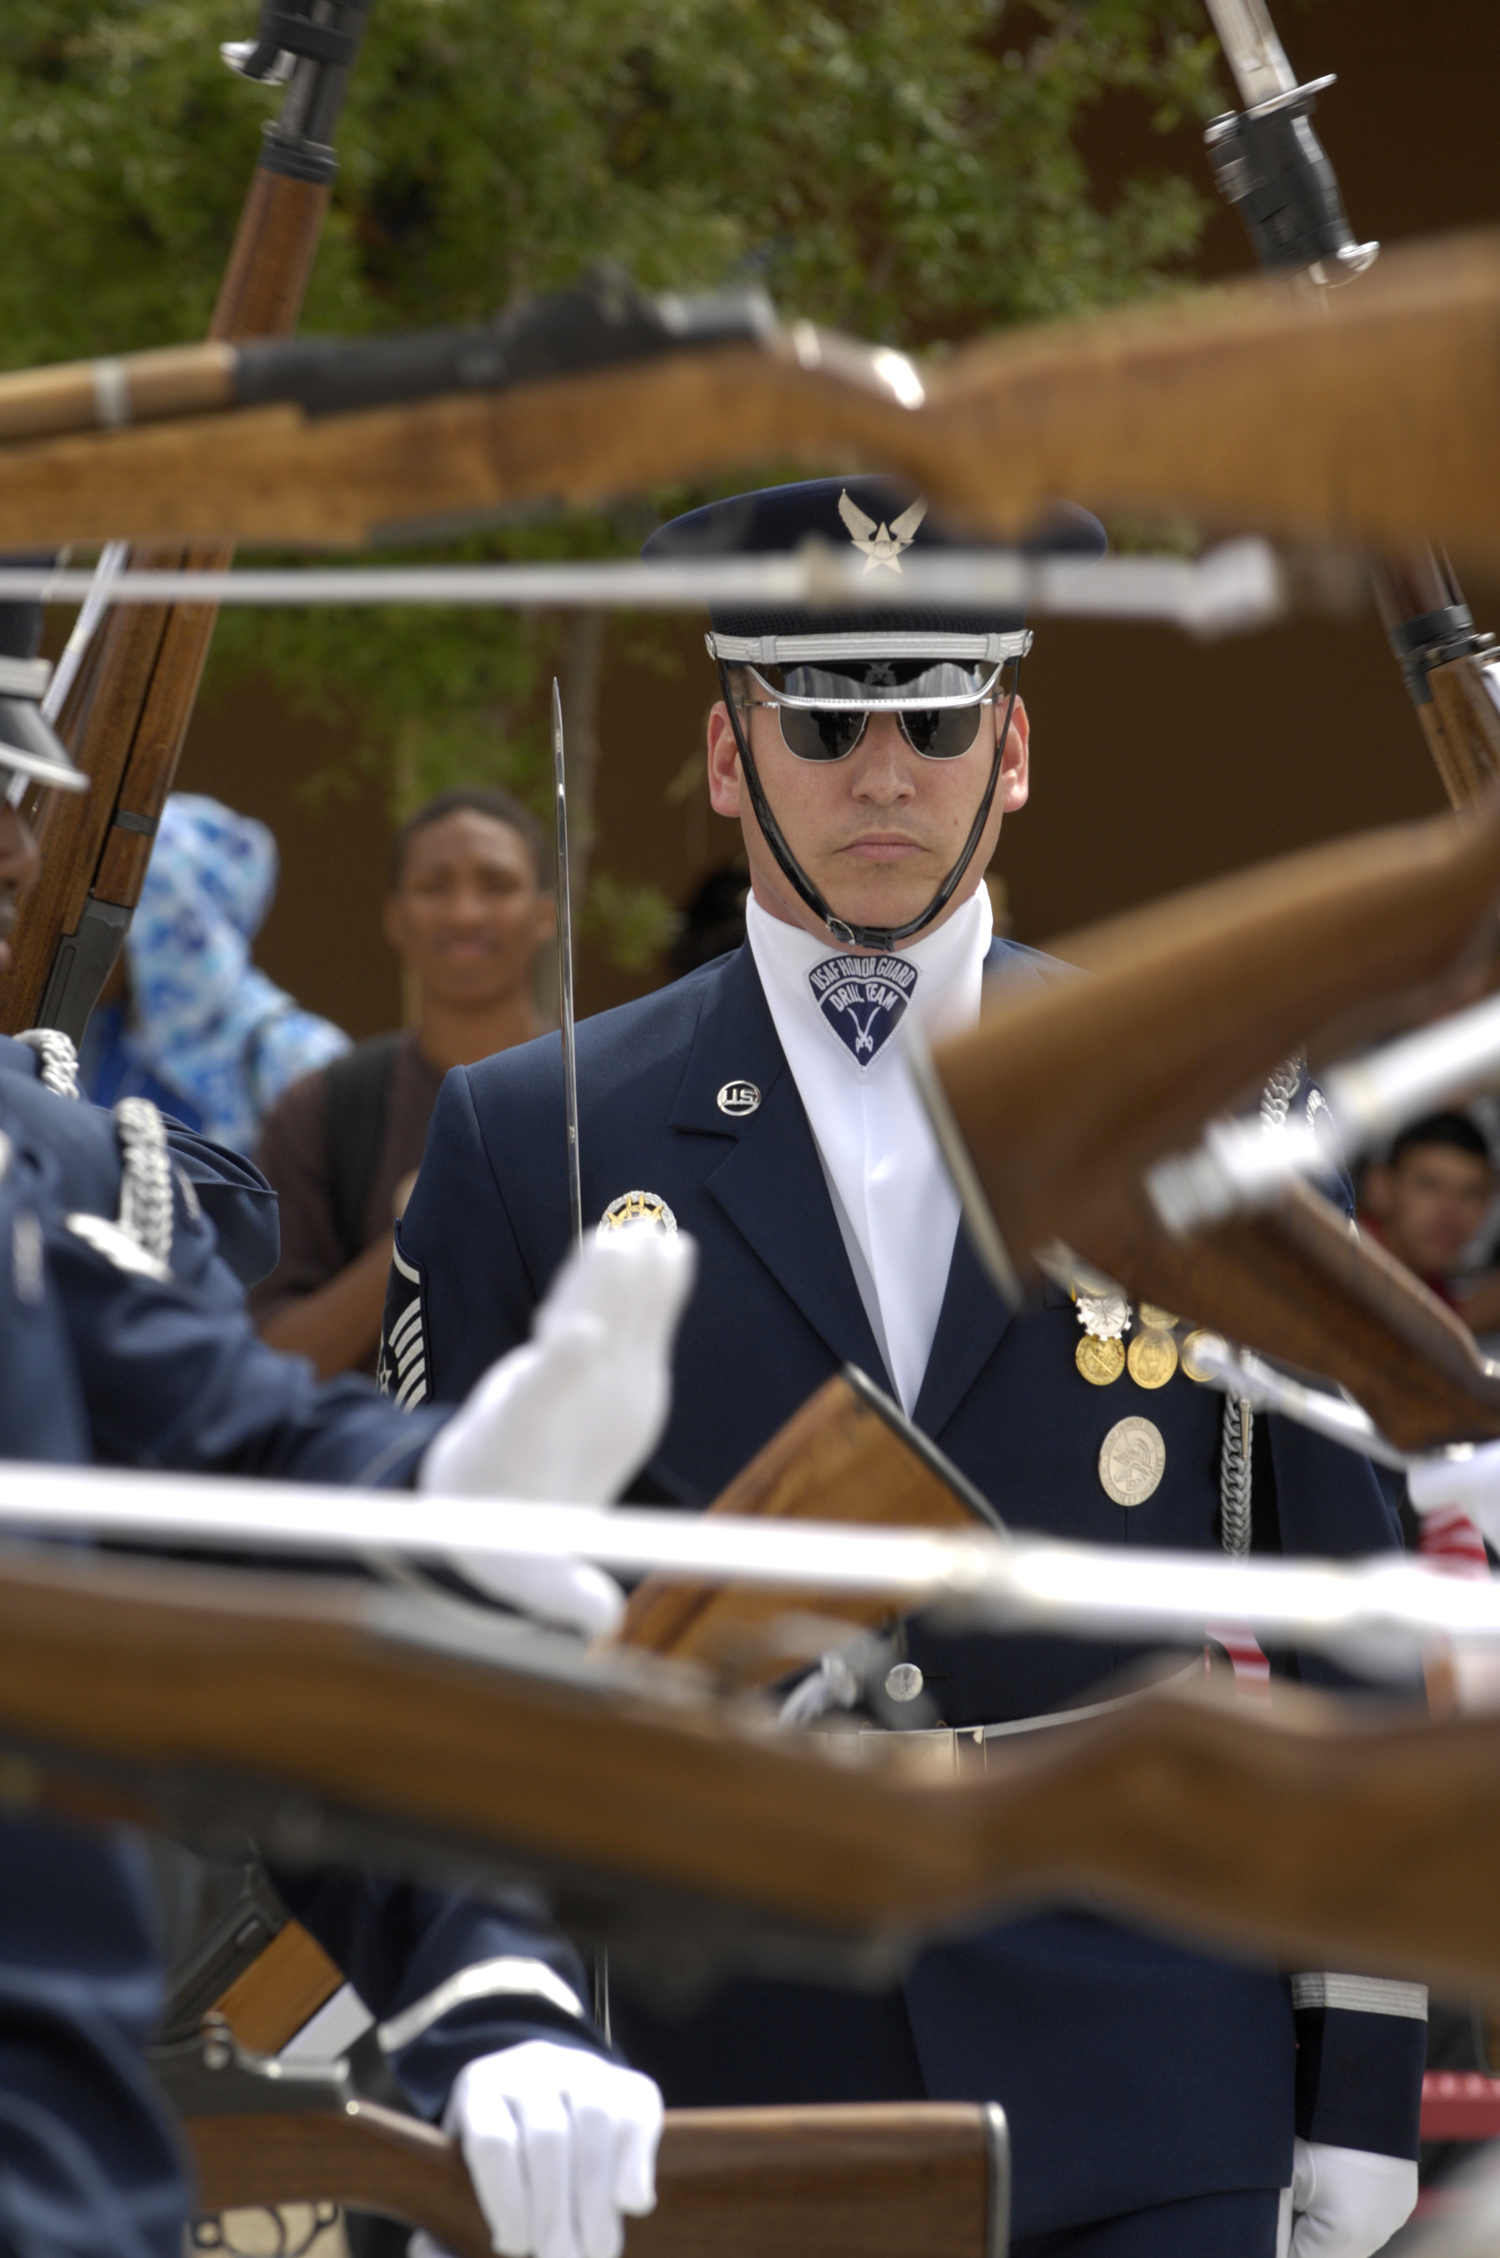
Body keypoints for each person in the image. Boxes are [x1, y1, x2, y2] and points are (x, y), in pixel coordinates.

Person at [387, 477, 1426, 2258]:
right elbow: (435, 1637)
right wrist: (491, 2021)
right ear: (729, 757)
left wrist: (1362, 2066)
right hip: (717, 2042)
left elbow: (1351, 1607)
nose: (886, 770)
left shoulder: (1216, 1098)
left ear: (1011, 747)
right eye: (824, 718)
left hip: (1146, 2036)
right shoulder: (528, 1131)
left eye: (937, 715)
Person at [0, 634, 678, 2258]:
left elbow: (247, 1484)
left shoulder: (40, 1171)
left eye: (14, 792)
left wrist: (492, 1991)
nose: (15, 844)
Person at [252, 787, 555, 1380]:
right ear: (395, 917)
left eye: (496, 885)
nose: (466, 913)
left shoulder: (607, 1089)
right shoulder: (323, 1110)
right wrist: (413, 1236)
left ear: (544, 914)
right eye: (434, 886)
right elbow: (269, 1362)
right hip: (377, 1466)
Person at [78, 792, 349, 1153]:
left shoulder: (299, 1059)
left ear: (172, 927)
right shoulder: (92, 1041)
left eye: (104, 908)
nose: (81, 927)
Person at [1358, 1111, 1496, 1310]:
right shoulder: (1327, 1260)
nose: (1450, 1213)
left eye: (1471, 1194)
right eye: (1429, 1185)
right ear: (1380, 1186)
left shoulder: (1439, 1307)